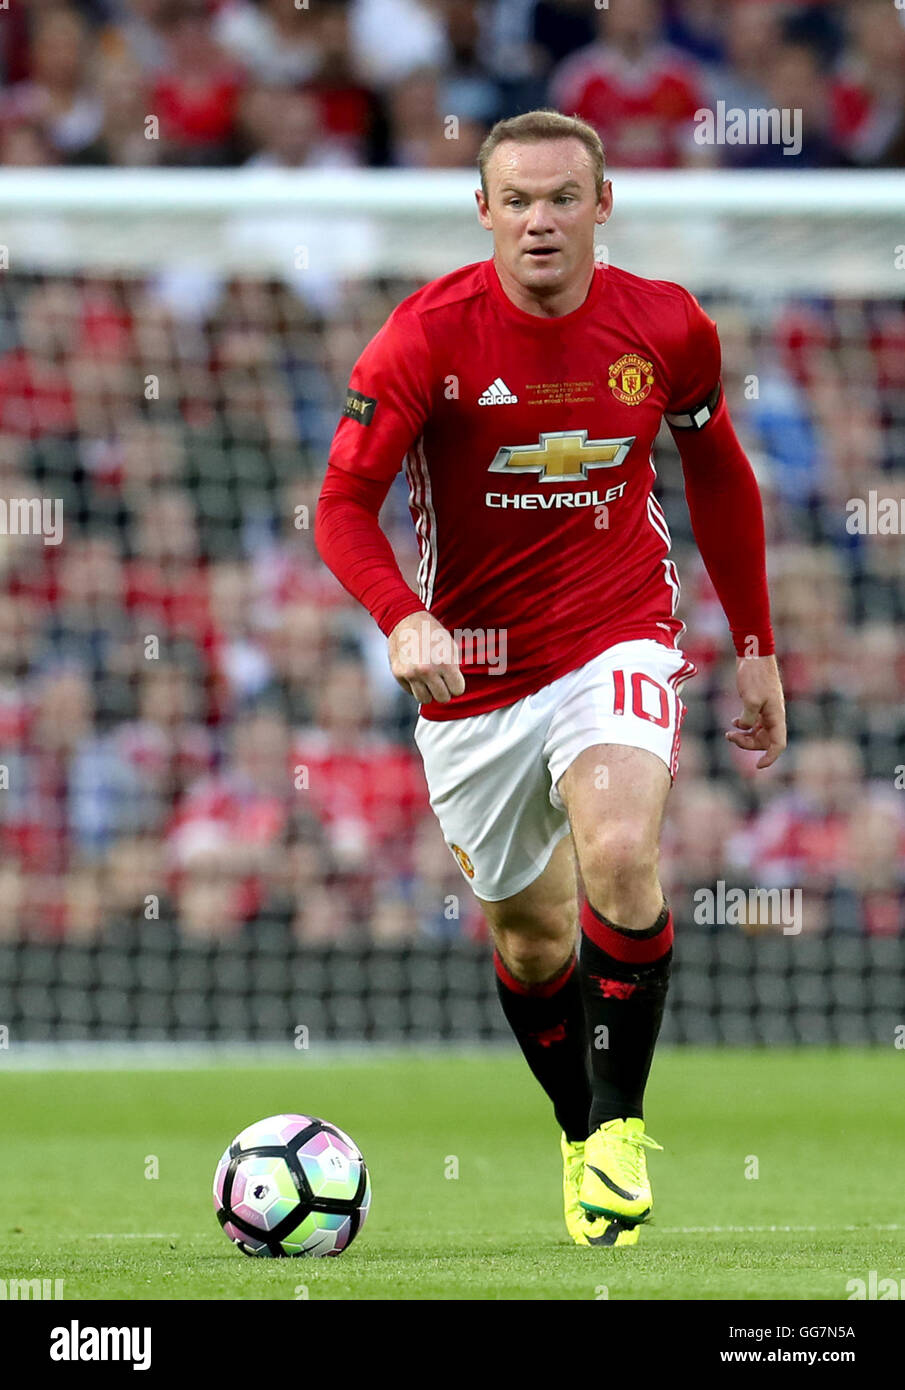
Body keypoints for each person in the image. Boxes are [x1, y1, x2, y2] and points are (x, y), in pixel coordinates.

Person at [315, 108, 786, 1247]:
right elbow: (340, 507)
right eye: (517, 200)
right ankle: (578, 1129)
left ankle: (620, 1131)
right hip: (472, 675)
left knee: (618, 852)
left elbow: (718, 474)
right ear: (482, 211)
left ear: (601, 205)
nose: (539, 221)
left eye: (562, 198)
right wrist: (403, 616)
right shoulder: (423, 338)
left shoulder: (664, 326)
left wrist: (757, 644)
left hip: (614, 631)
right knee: (531, 941)